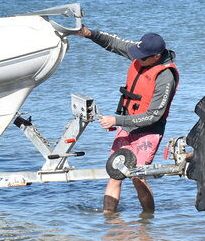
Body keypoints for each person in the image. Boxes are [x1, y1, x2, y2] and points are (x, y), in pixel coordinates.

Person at [76, 26, 179, 214]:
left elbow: (154, 115)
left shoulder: (165, 77)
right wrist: (89, 34)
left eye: (142, 57)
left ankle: (148, 221)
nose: (137, 58)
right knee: (115, 174)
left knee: (137, 178)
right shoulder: (142, 53)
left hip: (149, 131)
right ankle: (109, 221)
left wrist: (116, 121)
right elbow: (114, 43)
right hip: (127, 126)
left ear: (156, 56)